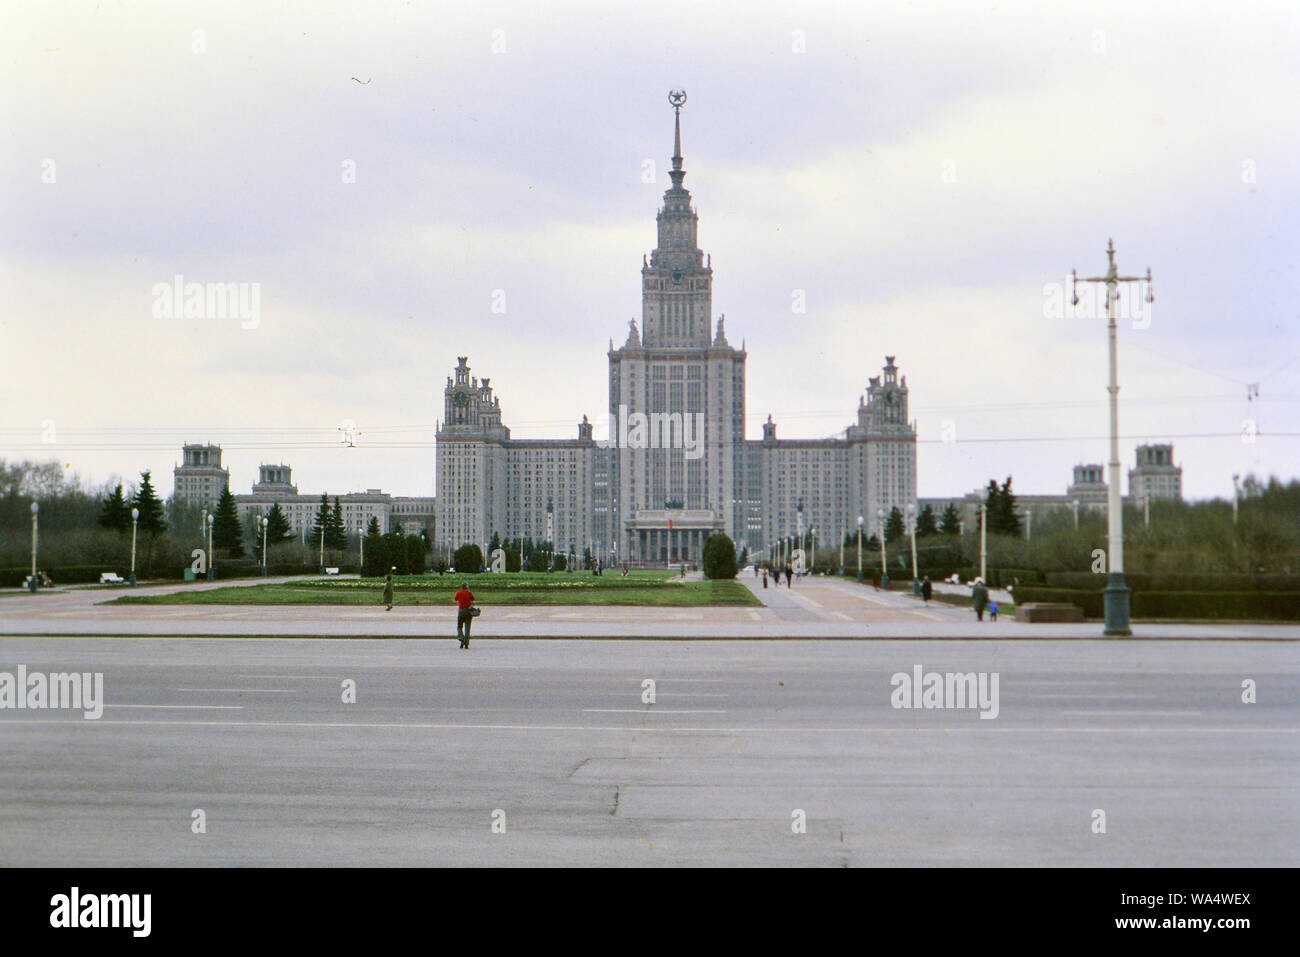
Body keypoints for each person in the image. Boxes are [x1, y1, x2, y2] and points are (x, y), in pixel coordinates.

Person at [454, 581, 475, 648]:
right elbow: (473, 598)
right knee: (467, 627)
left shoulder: (458, 592)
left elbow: (455, 599)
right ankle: (466, 643)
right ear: (467, 587)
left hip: (461, 610)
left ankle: (461, 637)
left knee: (459, 626)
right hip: (468, 611)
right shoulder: (468, 592)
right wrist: (469, 592)